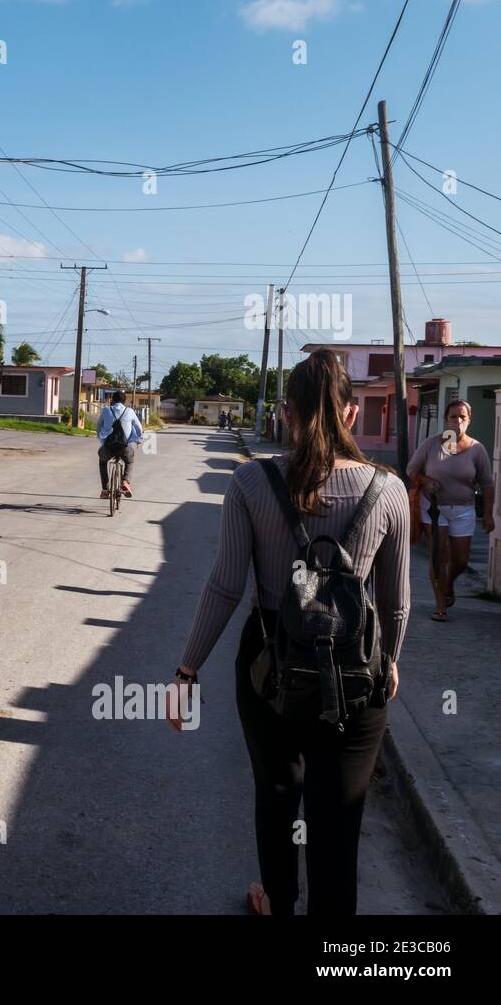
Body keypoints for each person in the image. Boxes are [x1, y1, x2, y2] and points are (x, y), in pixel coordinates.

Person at [169, 349, 410, 916]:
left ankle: (276, 901)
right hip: (355, 671)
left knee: (278, 797)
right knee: (338, 821)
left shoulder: (252, 482)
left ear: (288, 413)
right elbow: (397, 606)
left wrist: (186, 670)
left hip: (269, 665)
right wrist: (388, 662)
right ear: (351, 414)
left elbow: (225, 587)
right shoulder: (389, 490)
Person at [407, 400, 496, 622]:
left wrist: (487, 514)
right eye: (453, 416)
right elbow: (411, 470)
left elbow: (487, 483)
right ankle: (440, 606)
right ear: (445, 420)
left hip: (464, 509)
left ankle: (448, 584)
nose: (457, 421)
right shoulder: (432, 444)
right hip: (434, 508)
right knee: (438, 555)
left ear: (469, 421)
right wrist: (425, 480)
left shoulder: (477, 449)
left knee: (460, 560)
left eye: (462, 417)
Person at [96, 390, 144, 499]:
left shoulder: (106, 410)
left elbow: (98, 426)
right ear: (124, 401)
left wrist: (101, 438)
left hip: (108, 447)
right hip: (124, 447)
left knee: (102, 462)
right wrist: (138, 439)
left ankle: (105, 489)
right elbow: (139, 428)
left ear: (112, 400)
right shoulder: (130, 411)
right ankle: (125, 482)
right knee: (130, 460)